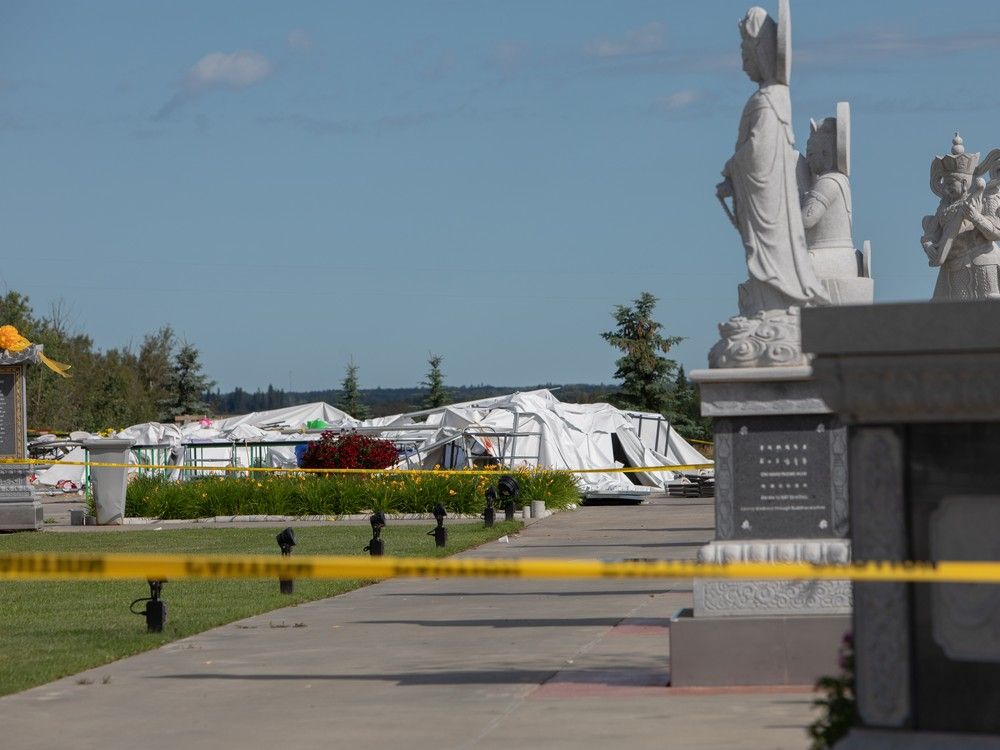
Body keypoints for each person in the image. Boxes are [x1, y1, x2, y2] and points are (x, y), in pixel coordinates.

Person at [716, 5, 828, 316]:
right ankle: (771, 306)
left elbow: (759, 155)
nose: (743, 65)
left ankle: (777, 305)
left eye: (746, 55)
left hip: (771, 205)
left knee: (772, 257)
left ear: (761, 52)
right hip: (767, 200)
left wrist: (732, 167)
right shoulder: (769, 98)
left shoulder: (767, 101)